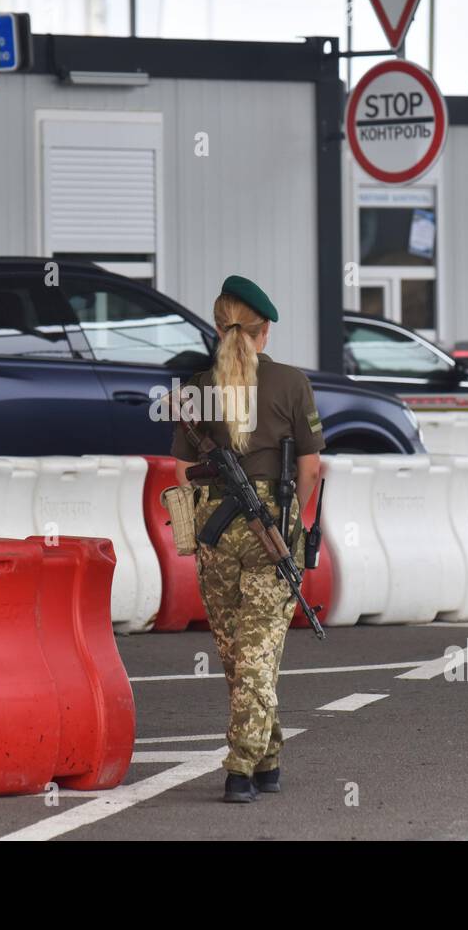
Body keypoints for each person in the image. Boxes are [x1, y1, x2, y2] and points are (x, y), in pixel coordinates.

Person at [170, 275, 324, 804]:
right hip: (272, 527)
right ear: (264, 331)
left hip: (217, 529)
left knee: (239, 654)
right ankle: (250, 765)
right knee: (257, 653)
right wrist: (294, 524)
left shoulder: (194, 387)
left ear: (218, 327)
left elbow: (182, 469)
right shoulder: (291, 382)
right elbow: (311, 467)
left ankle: (259, 760)